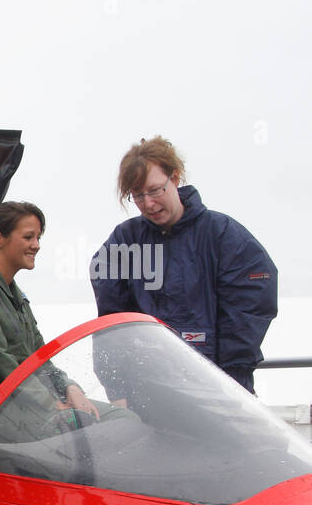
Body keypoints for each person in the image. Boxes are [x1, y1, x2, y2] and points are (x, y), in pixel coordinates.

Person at [90, 137, 277, 393]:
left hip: (221, 388)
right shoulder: (124, 243)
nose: (148, 204)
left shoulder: (224, 236)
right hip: (151, 394)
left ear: (175, 178)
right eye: (138, 195)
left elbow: (249, 311)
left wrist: (225, 378)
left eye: (155, 190)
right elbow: (113, 323)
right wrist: (118, 388)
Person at [0, 201, 98, 418]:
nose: (36, 245)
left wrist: (68, 387)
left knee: (123, 419)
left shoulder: (15, 296)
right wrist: (49, 404)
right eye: (28, 237)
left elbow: (39, 357)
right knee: (81, 424)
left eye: (38, 238)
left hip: (26, 402)